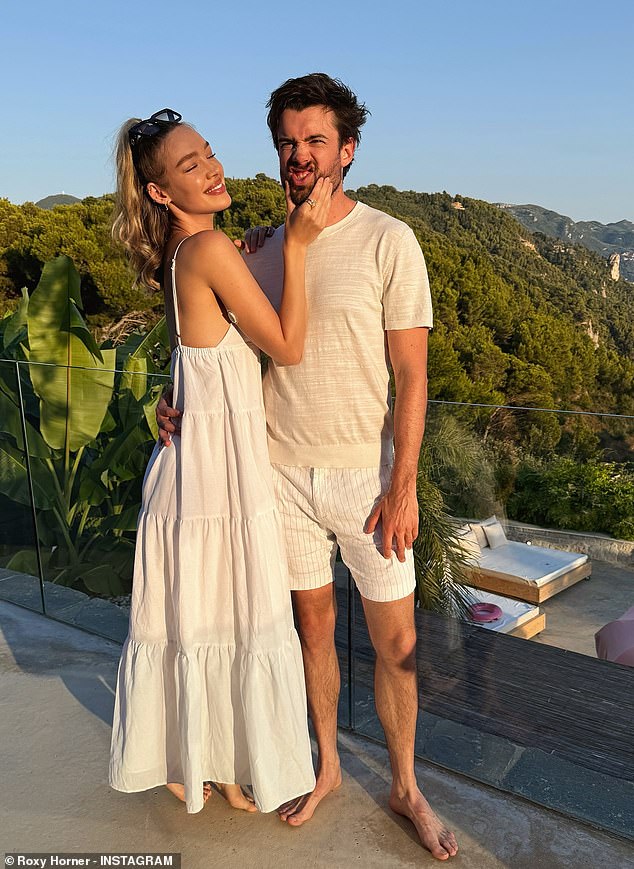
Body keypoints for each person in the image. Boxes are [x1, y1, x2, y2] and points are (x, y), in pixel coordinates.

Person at [158, 74, 459, 861]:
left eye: (316, 140)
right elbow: (213, 343)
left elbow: (414, 375)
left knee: (397, 645)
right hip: (279, 474)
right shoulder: (255, 248)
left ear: (347, 150)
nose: (300, 155)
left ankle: (405, 785)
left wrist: (403, 485)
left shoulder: (390, 240)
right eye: (288, 141)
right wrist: (169, 397)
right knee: (313, 633)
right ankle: (327, 766)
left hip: (367, 480)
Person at [108, 108, 332, 815]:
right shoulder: (206, 250)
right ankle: (216, 766)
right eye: (189, 165)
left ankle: (212, 764)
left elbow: (196, 360)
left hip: (201, 466)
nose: (211, 168)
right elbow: (287, 346)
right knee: (228, 616)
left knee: (209, 618)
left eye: (207, 153)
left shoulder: (190, 251)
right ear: (160, 192)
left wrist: (252, 246)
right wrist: (297, 246)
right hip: (215, 474)